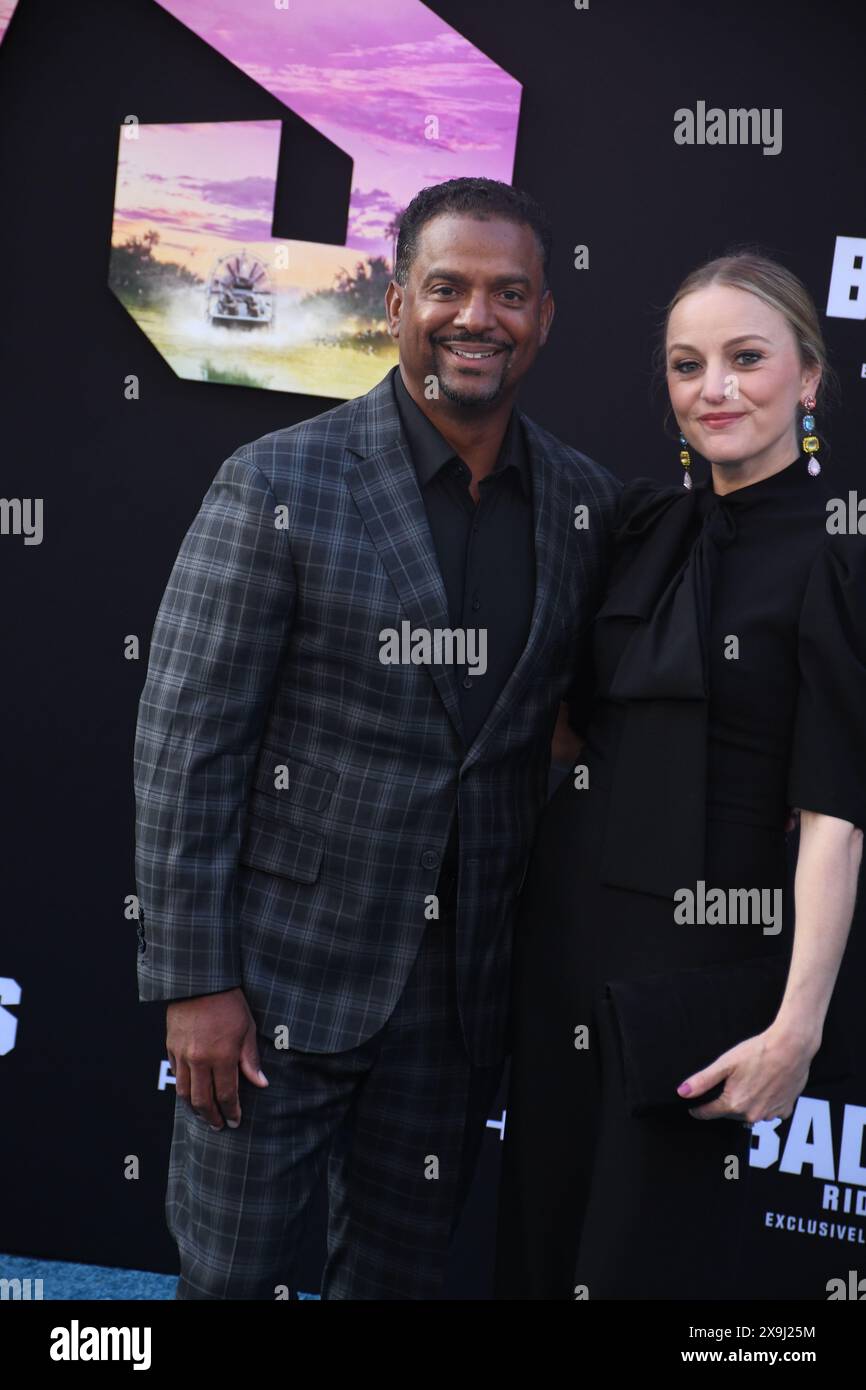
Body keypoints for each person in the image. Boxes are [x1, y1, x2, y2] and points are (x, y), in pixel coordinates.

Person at [132, 176, 621, 1300]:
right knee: (230, 1280)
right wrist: (196, 979)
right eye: (446, 287)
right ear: (394, 301)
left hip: (456, 1010)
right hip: (271, 987)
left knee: (398, 1281)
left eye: (509, 293)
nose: (475, 317)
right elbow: (185, 747)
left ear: (544, 317)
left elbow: (561, 732)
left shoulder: (584, 509)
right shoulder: (275, 482)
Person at [495, 252, 865, 1300]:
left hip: (705, 962)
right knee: (540, 1230)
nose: (713, 388)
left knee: (642, 1258)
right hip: (568, 936)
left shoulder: (840, 553)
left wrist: (795, 1030)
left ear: (807, 378)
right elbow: (568, 726)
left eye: (745, 359)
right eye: (685, 363)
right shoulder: (640, 527)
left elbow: (835, 816)